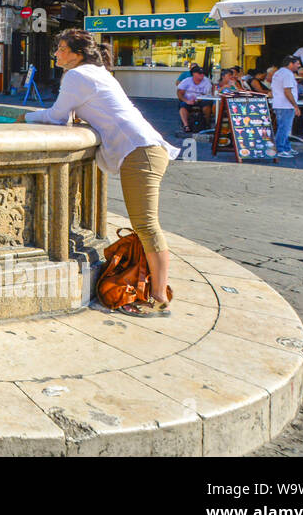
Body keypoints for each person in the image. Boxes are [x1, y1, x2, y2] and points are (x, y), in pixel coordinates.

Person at [23, 29, 180, 313]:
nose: (56, 53)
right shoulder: (97, 73)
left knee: (147, 225)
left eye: (61, 48)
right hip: (145, 148)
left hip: (140, 152)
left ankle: (158, 296)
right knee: (145, 226)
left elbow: (56, 116)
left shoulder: (77, 75)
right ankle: (151, 285)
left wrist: (24, 117)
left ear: (77, 54)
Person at [270, 55, 302, 158]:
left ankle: (286, 147)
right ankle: (280, 148)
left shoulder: (278, 72)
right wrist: (295, 105)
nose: (299, 66)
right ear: (290, 64)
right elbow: (287, 91)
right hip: (286, 105)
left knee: (284, 127)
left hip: (279, 103)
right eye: (297, 63)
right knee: (284, 128)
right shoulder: (288, 74)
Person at [176, 65, 212, 132]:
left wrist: (197, 100)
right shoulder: (186, 81)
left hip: (201, 100)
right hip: (188, 100)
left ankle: (207, 123)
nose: (202, 75)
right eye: (199, 73)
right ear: (193, 74)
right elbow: (179, 92)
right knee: (183, 106)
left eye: (203, 73)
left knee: (207, 104)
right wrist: (187, 101)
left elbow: (206, 94)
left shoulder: (206, 81)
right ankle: (186, 126)